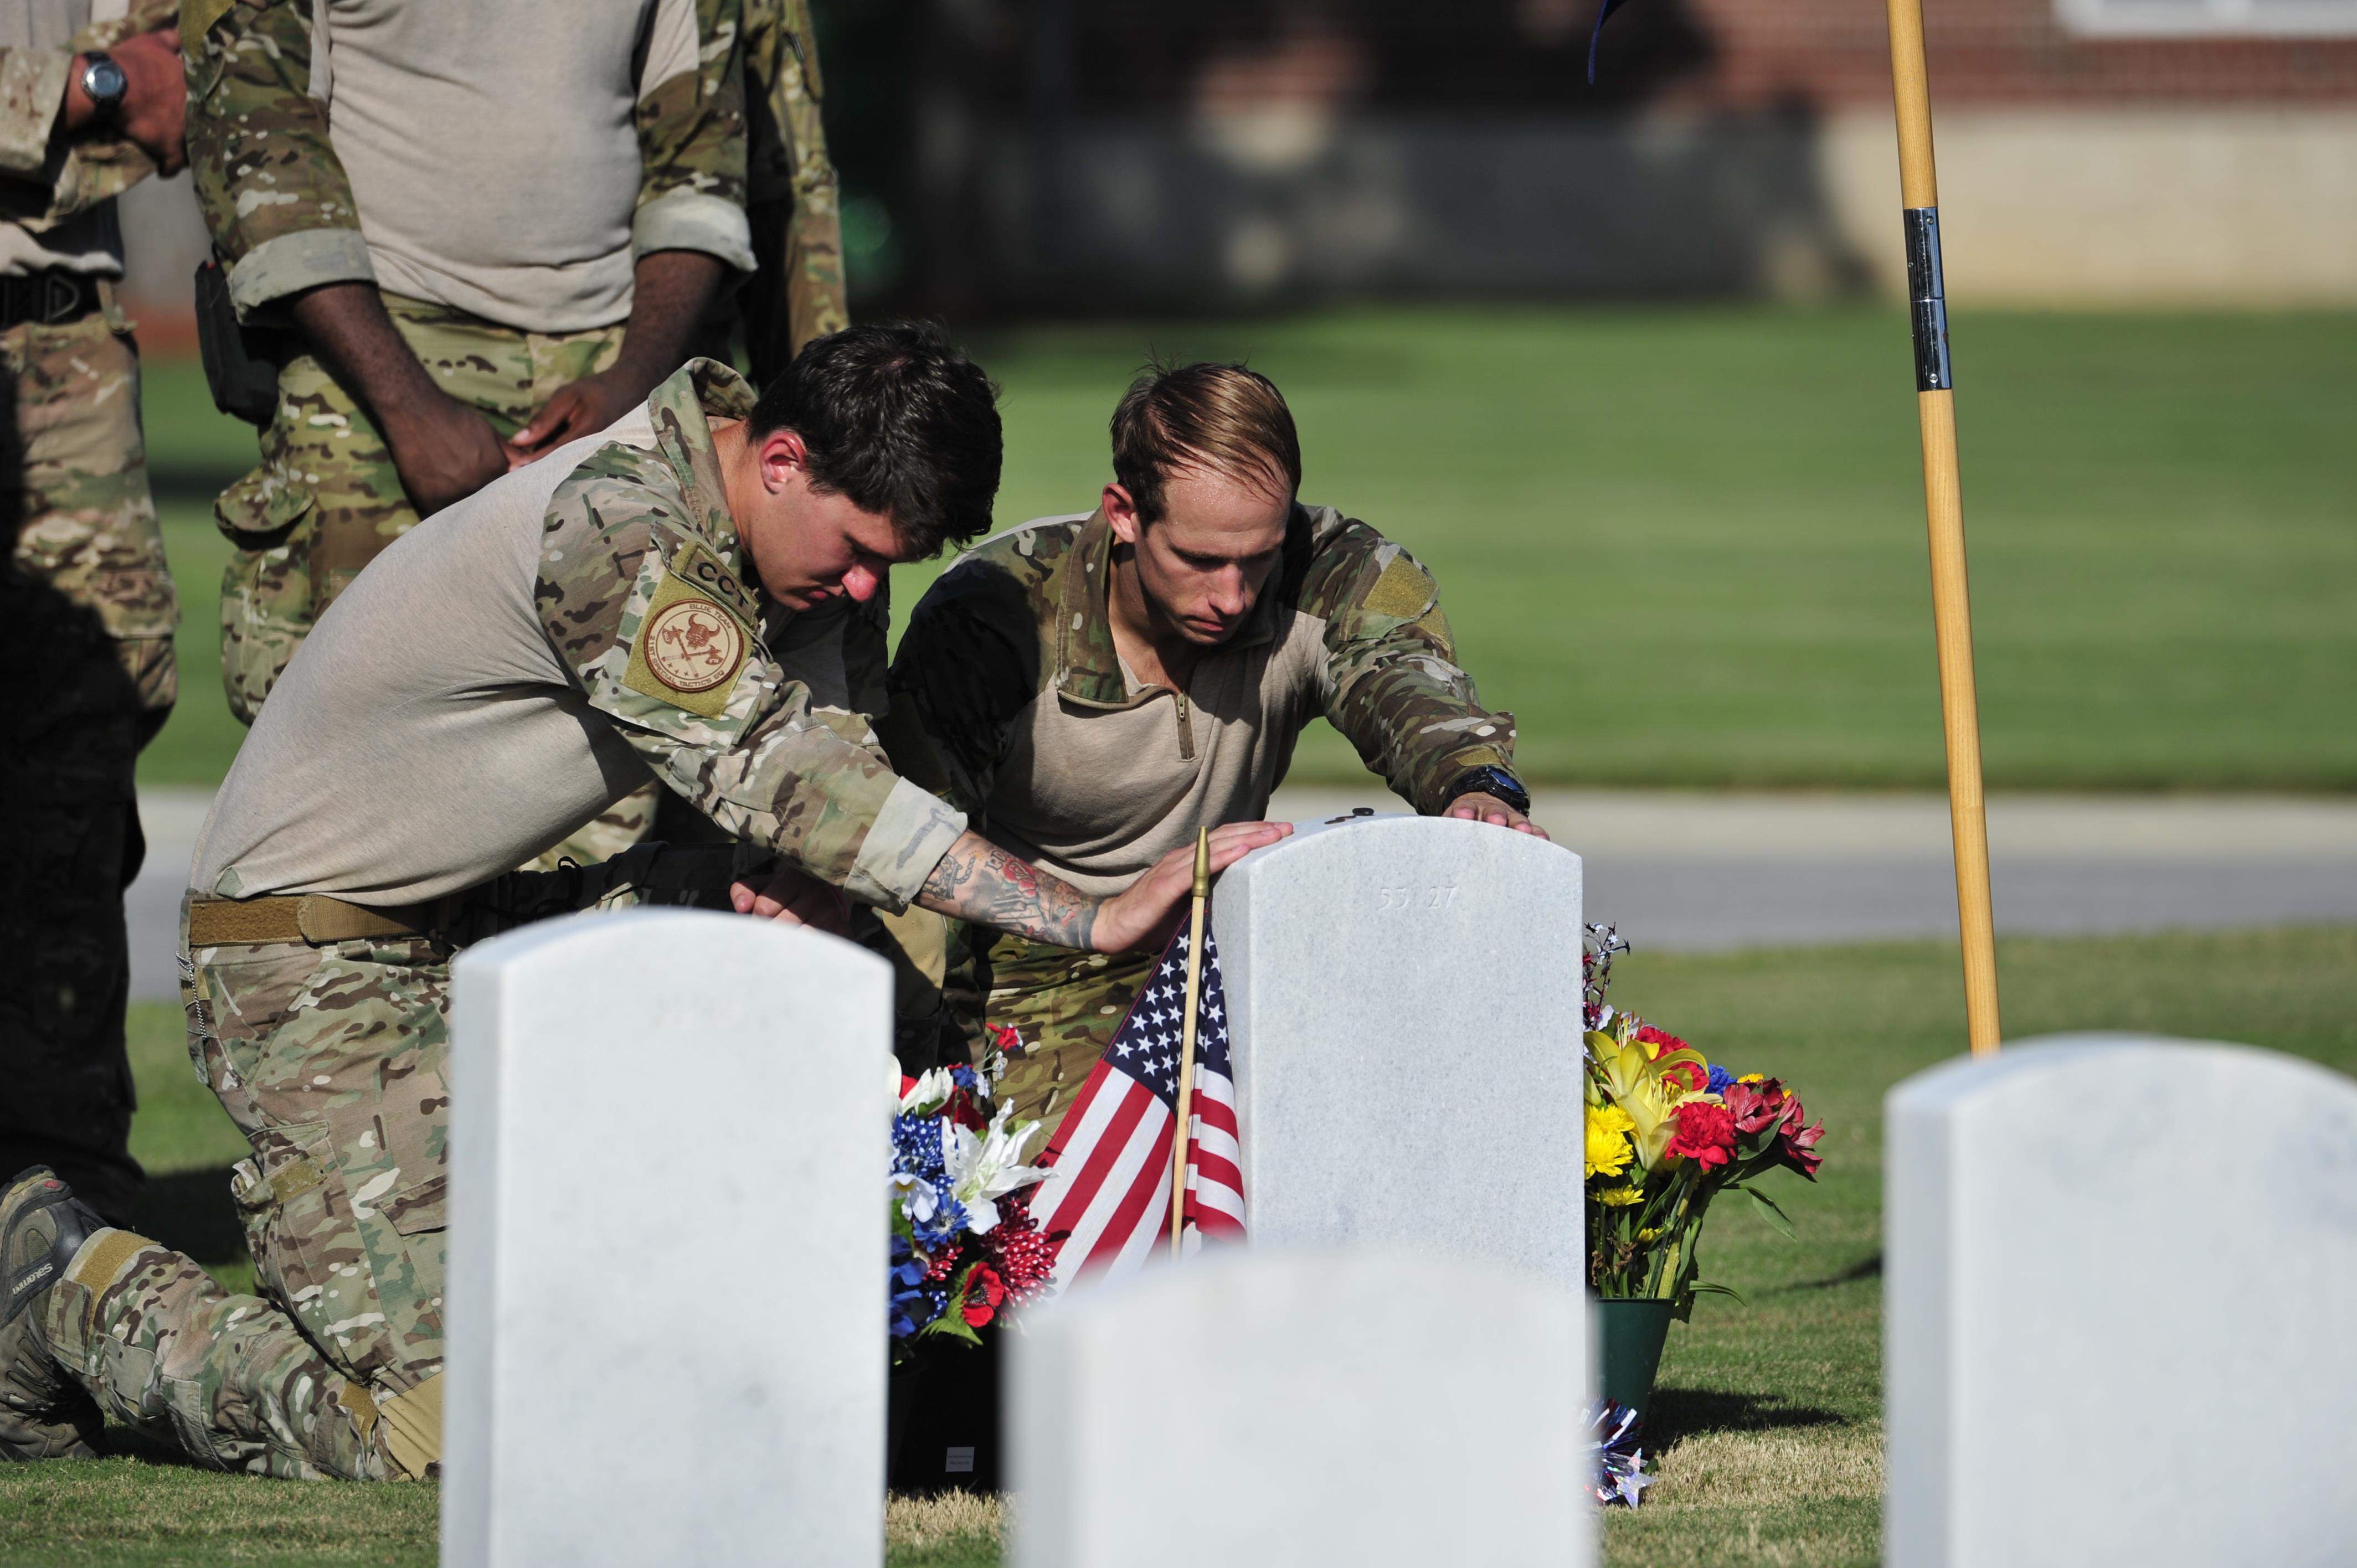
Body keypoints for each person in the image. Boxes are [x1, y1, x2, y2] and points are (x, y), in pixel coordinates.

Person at [0, 323, 1285, 1476]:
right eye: (851, 556)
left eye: (882, 569)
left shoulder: (804, 543)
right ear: (779, 460)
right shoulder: (616, 523)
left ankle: (947, 1351)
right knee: (461, 1430)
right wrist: (1083, 912)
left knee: (876, 1012)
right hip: (314, 958)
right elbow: (793, 780)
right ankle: (68, 1284)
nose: (857, 592)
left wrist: (805, 889)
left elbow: (833, 756)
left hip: (507, 917)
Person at [883, 361, 1545, 1133]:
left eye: (1257, 558)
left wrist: (1474, 785)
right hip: (1032, 960)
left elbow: (1405, 681)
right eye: (1199, 561)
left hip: (1227, 942)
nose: (1232, 598)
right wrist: (939, 1079)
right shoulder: (997, 615)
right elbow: (912, 843)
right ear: (1125, 514)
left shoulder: (1330, 571)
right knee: (1053, 1213)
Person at [183, 0, 773, 861]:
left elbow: (700, 159)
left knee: (616, 771)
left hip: (617, 348)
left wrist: (632, 381)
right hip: (373, 340)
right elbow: (252, 116)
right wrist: (407, 403)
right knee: (351, 784)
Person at [0, 0, 184, 1227]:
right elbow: (133, 84)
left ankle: (66, 1194)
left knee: (83, 753)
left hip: (69, 344)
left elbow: (180, 65)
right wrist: (82, 91)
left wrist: (114, 88)